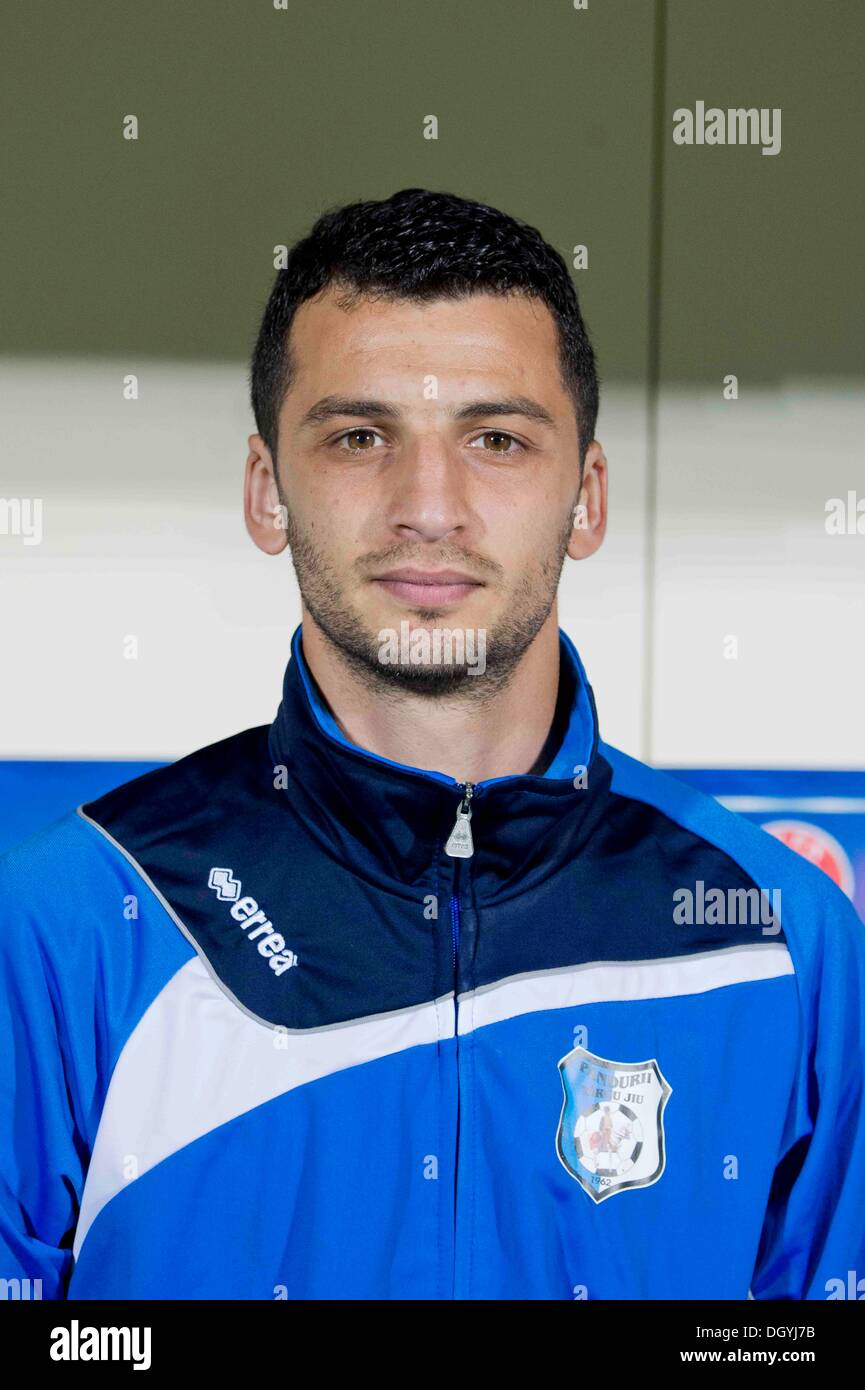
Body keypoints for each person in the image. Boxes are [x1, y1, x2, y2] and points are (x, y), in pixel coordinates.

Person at [1, 188, 863, 1300]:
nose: (429, 505)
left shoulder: (783, 942)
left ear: (586, 498)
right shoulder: (69, 922)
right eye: (360, 437)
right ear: (267, 491)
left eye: (495, 439)